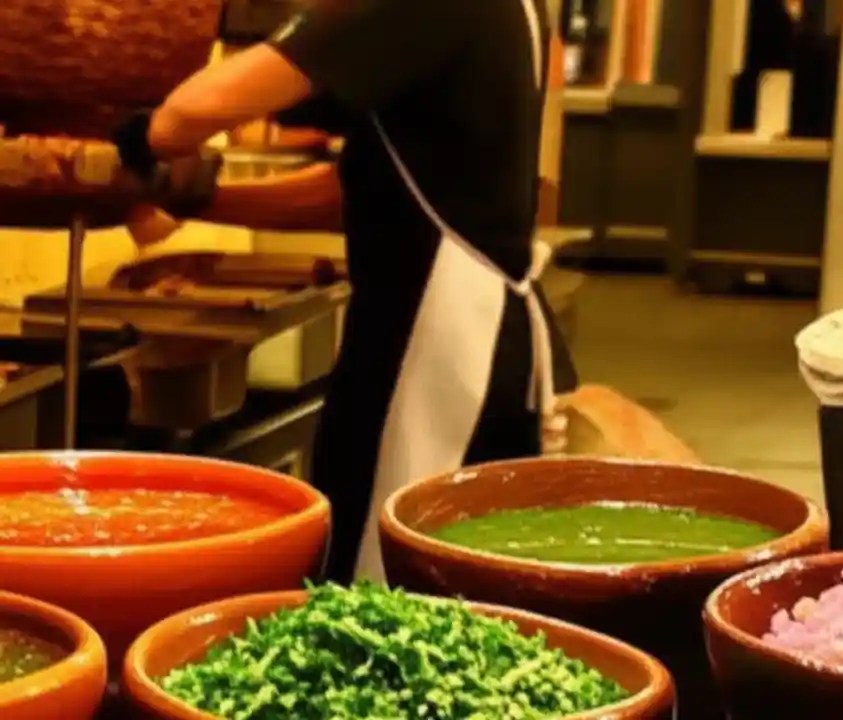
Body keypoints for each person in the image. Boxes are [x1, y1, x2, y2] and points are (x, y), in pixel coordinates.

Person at [115, 0, 576, 582]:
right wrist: (203, 200)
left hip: (439, 345)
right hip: (457, 334)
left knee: (385, 591)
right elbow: (360, 187)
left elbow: (190, 111)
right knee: (444, 585)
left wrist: (134, 140)